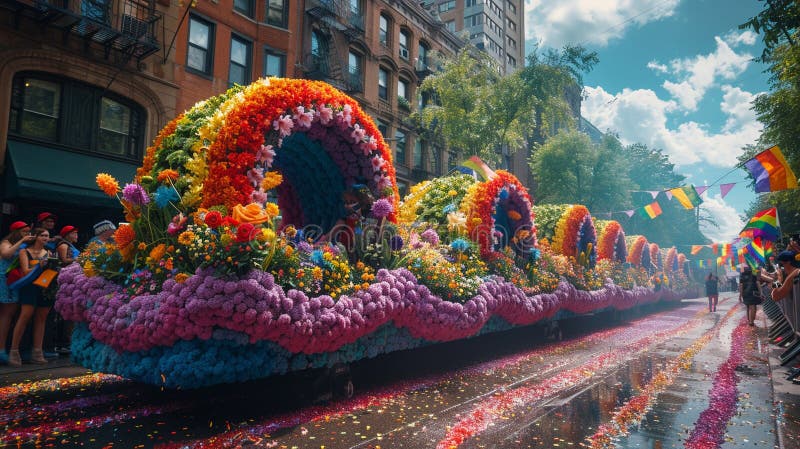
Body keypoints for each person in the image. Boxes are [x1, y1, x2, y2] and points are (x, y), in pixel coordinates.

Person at [7, 227, 54, 366]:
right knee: (25, 316)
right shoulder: (24, 251)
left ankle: (37, 352)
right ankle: (14, 351)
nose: (45, 238)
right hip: (29, 287)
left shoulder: (49, 252)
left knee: (41, 318)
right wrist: (39, 264)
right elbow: (26, 271)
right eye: (42, 235)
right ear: (35, 237)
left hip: (44, 286)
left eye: (47, 236)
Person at [0, 221, 35, 364]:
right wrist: (21, 241)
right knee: (6, 314)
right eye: (23, 231)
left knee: (10, 314)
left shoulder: (25, 246)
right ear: (16, 232)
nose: (26, 234)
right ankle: (1, 349)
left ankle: (7, 348)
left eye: (28, 231)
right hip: (4, 279)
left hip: (15, 280)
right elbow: (6, 254)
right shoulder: (6, 242)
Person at [53, 225, 80, 354]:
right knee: (65, 312)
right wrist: (78, 259)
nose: (76, 236)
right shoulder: (63, 245)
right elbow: (63, 260)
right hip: (65, 280)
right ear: (68, 234)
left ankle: (69, 340)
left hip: (73, 280)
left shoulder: (71, 245)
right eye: (74, 233)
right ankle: (63, 342)